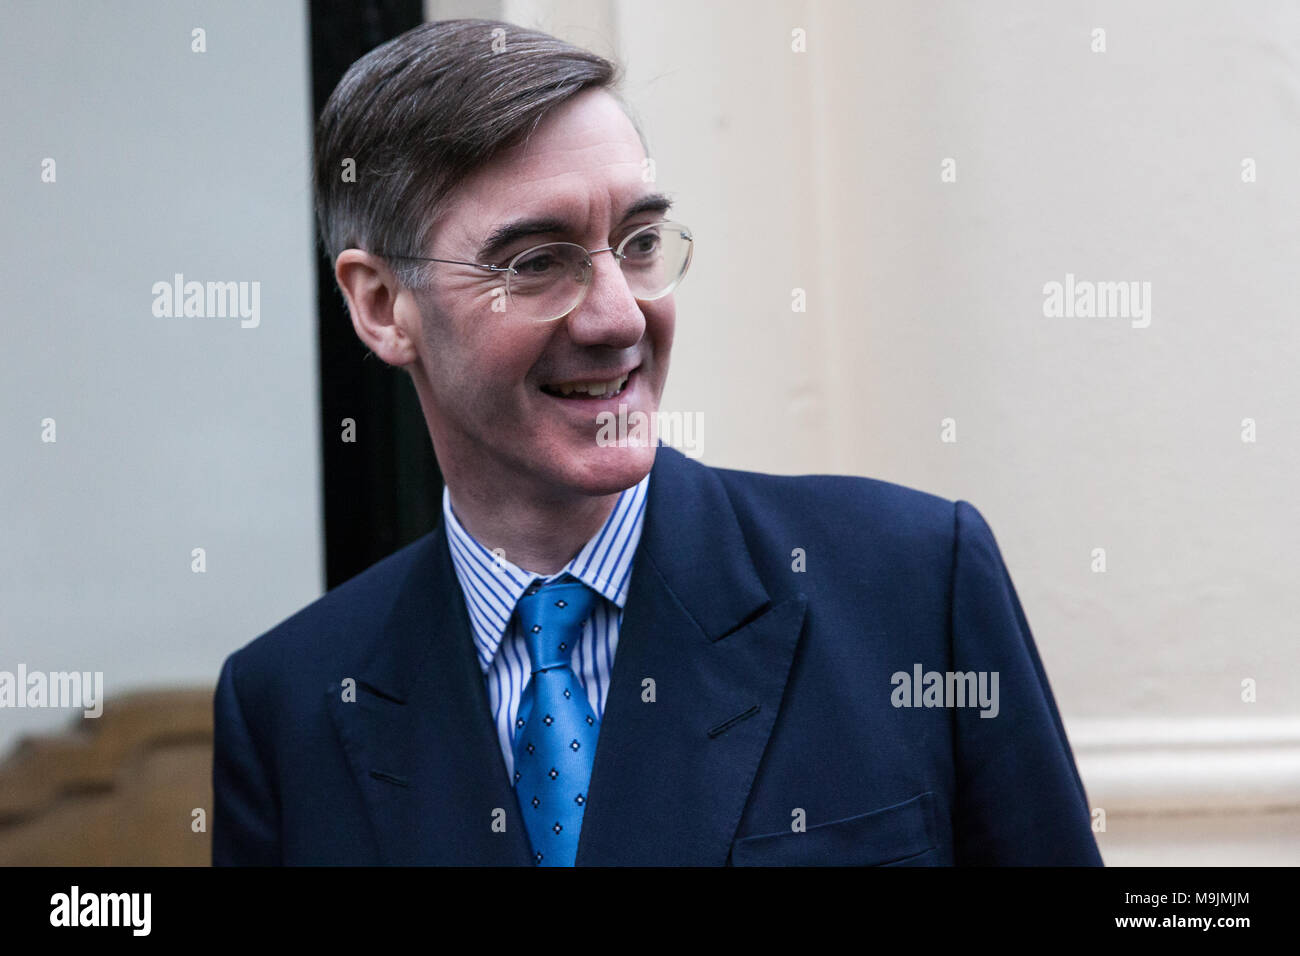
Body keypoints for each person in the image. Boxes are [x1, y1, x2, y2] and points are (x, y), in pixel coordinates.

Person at [212, 18, 1102, 866]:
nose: (617, 315)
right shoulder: (290, 707)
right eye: (536, 262)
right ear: (380, 307)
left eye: (638, 243)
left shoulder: (912, 587)